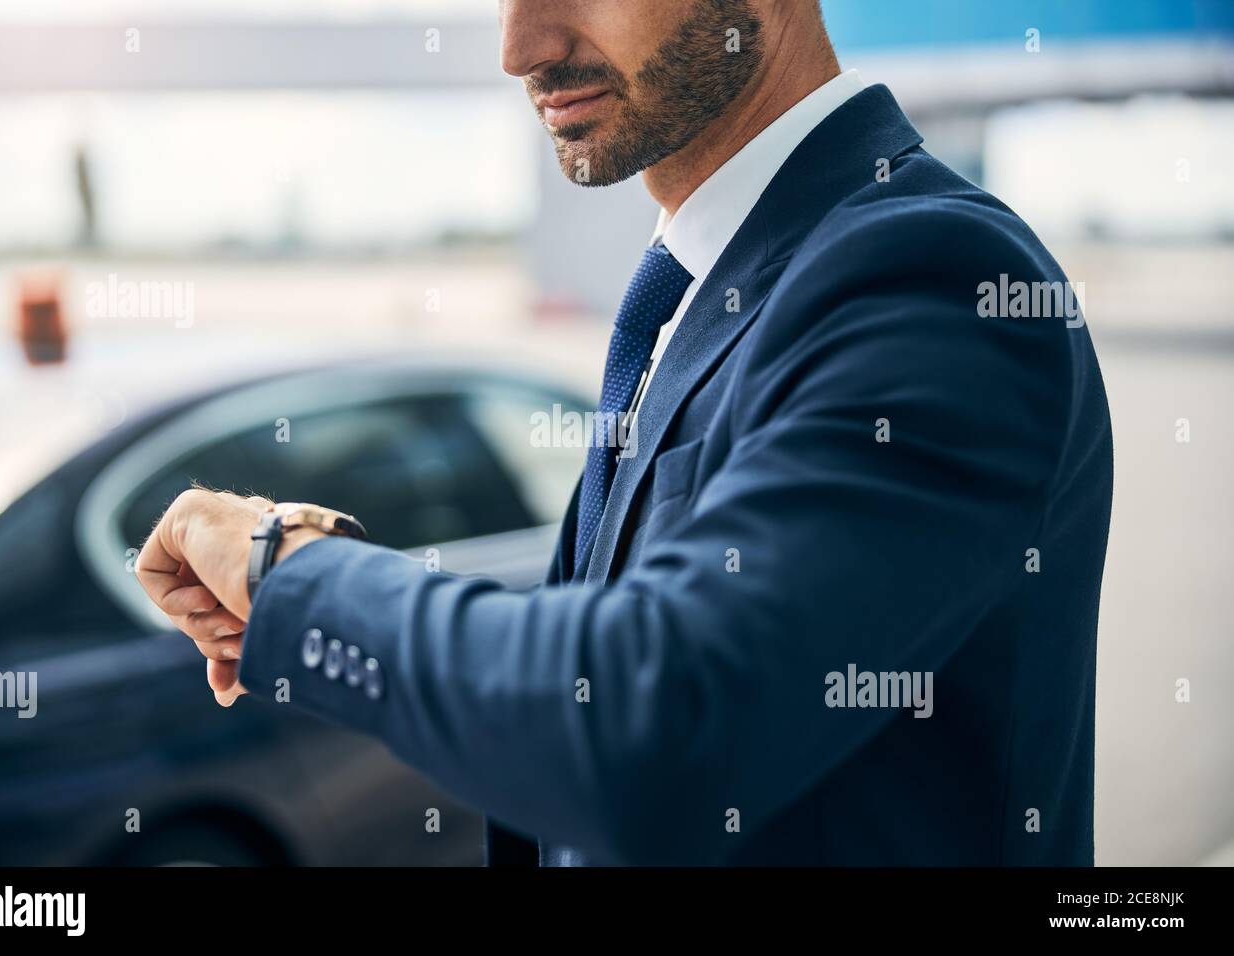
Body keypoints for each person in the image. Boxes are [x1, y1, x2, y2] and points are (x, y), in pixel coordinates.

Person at [136, 0, 1113, 866]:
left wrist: (290, 571)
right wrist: (330, 577)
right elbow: (626, 626)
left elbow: (658, 719)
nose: (522, 47)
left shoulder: (930, 278)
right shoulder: (705, 287)